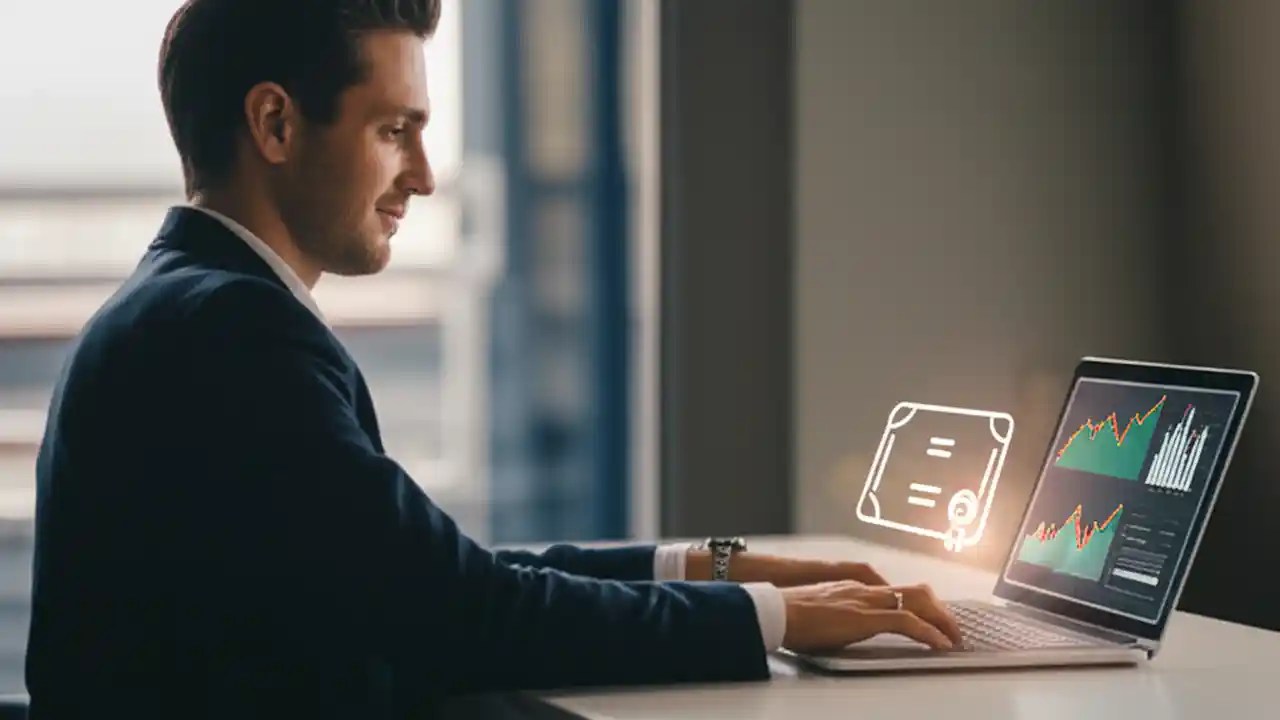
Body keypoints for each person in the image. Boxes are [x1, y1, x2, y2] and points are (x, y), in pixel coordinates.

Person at [24, 0, 962, 716]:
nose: (425, 176)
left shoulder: (185, 306)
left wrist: (713, 570)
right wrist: (778, 620)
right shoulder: (232, 333)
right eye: (394, 130)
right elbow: (460, 612)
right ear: (274, 124)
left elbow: (432, 577)